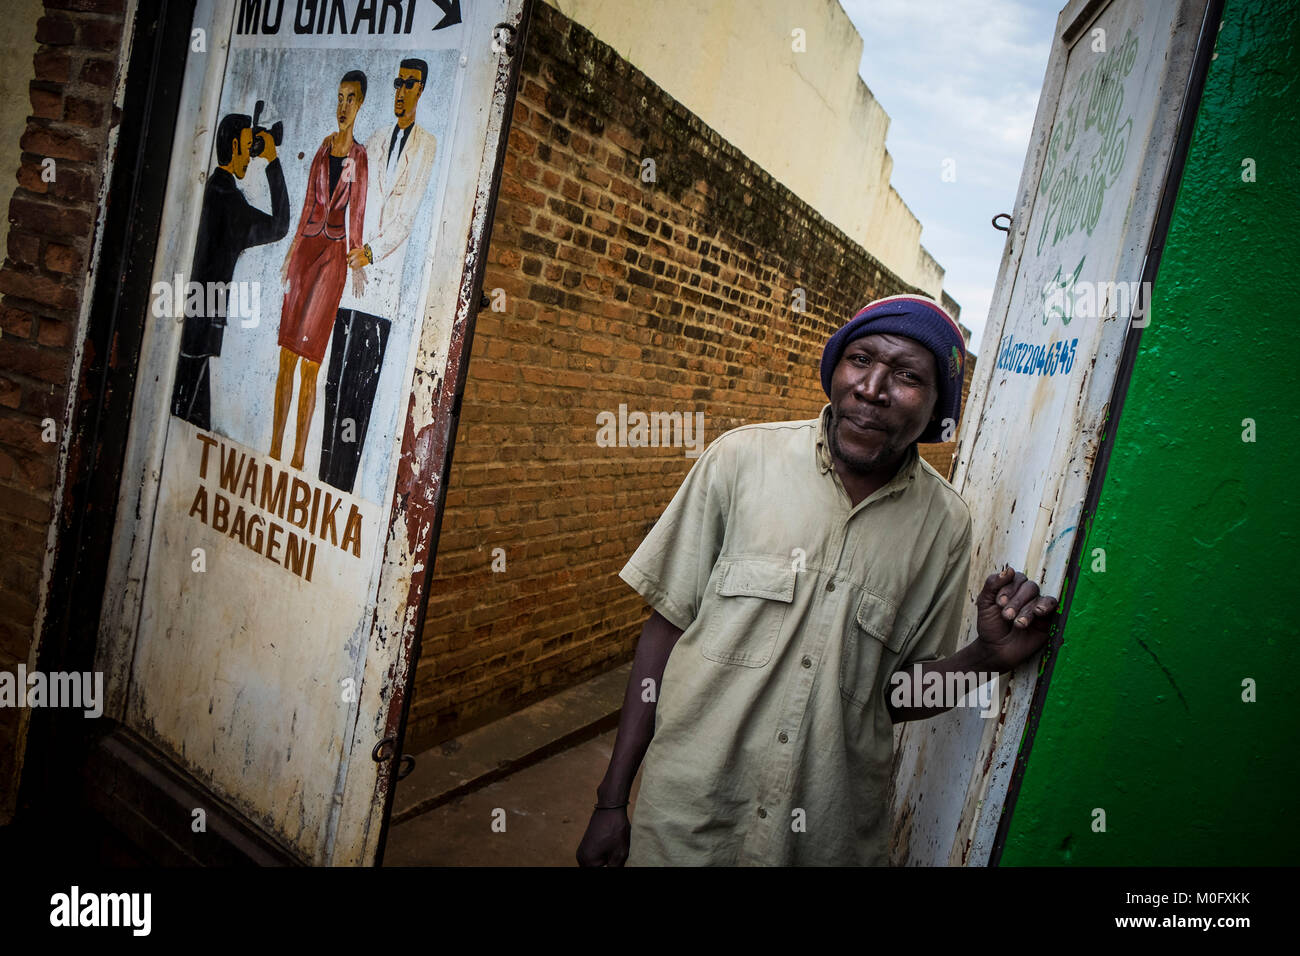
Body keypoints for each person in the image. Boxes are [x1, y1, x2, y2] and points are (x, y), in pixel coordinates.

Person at [576, 294, 1061, 866]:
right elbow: (664, 633)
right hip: (690, 823)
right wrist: (611, 801)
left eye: (907, 375)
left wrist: (986, 657)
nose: (872, 388)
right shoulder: (740, 462)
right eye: (860, 360)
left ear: (936, 409)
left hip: (822, 842)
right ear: (835, 370)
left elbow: (895, 699)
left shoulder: (945, 527)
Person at [320, 58, 438, 494]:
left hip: (380, 285)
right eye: (398, 84)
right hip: (353, 281)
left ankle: (340, 486)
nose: (402, 92)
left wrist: (366, 254)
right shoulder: (374, 139)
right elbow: (354, 197)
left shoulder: (426, 145)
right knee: (336, 381)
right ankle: (322, 476)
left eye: (411, 85)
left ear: (421, 91)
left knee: (358, 394)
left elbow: (404, 218)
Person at [272, 70, 369, 471]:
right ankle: (274, 451)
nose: (342, 106)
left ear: (360, 105)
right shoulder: (321, 148)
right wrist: (290, 254)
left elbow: (357, 213)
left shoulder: (358, 158)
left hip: (332, 262)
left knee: (311, 363)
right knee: (285, 360)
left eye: (350, 99)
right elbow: (308, 205)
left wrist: (356, 257)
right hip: (306, 254)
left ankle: (296, 460)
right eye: (339, 97)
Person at [171, 112, 289, 430]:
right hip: (203, 319)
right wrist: (273, 161)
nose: (250, 159)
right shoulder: (230, 203)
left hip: (191, 311)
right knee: (182, 410)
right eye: (249, 148)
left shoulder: (210, 191)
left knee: (192, 419)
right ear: (235, 145)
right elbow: (280, 225)